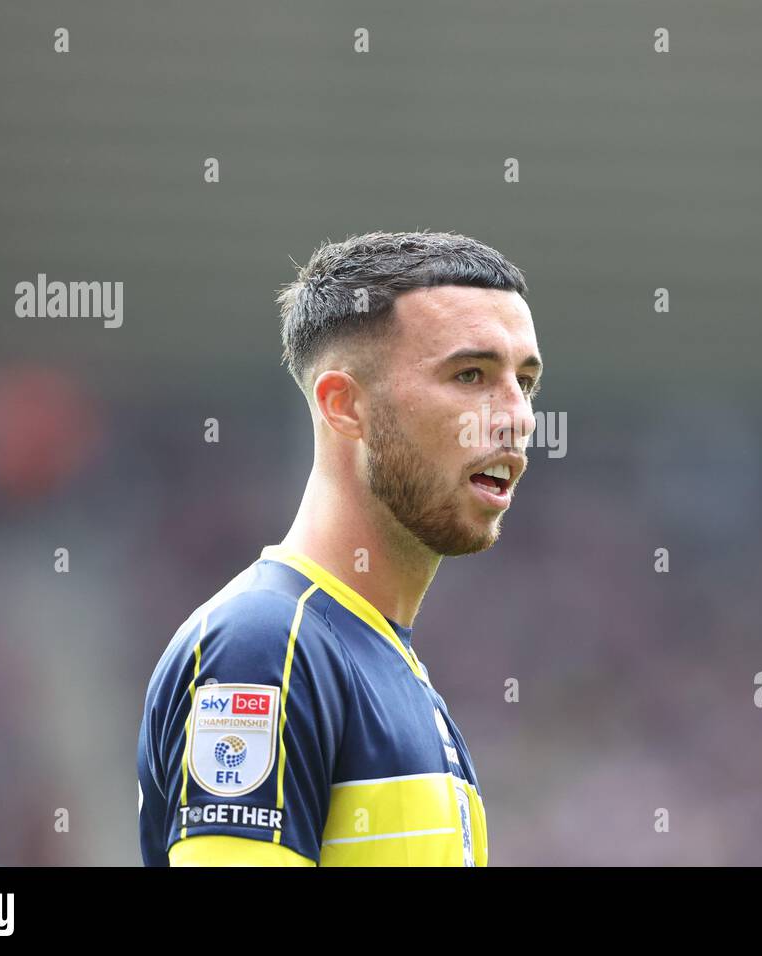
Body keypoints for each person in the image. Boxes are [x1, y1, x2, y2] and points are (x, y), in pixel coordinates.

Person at [137, 231, 542, 866]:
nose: (517, 417)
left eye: (525, 382)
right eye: (471, 375)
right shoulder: (268, 644)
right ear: (344, 405)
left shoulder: (382, 661)